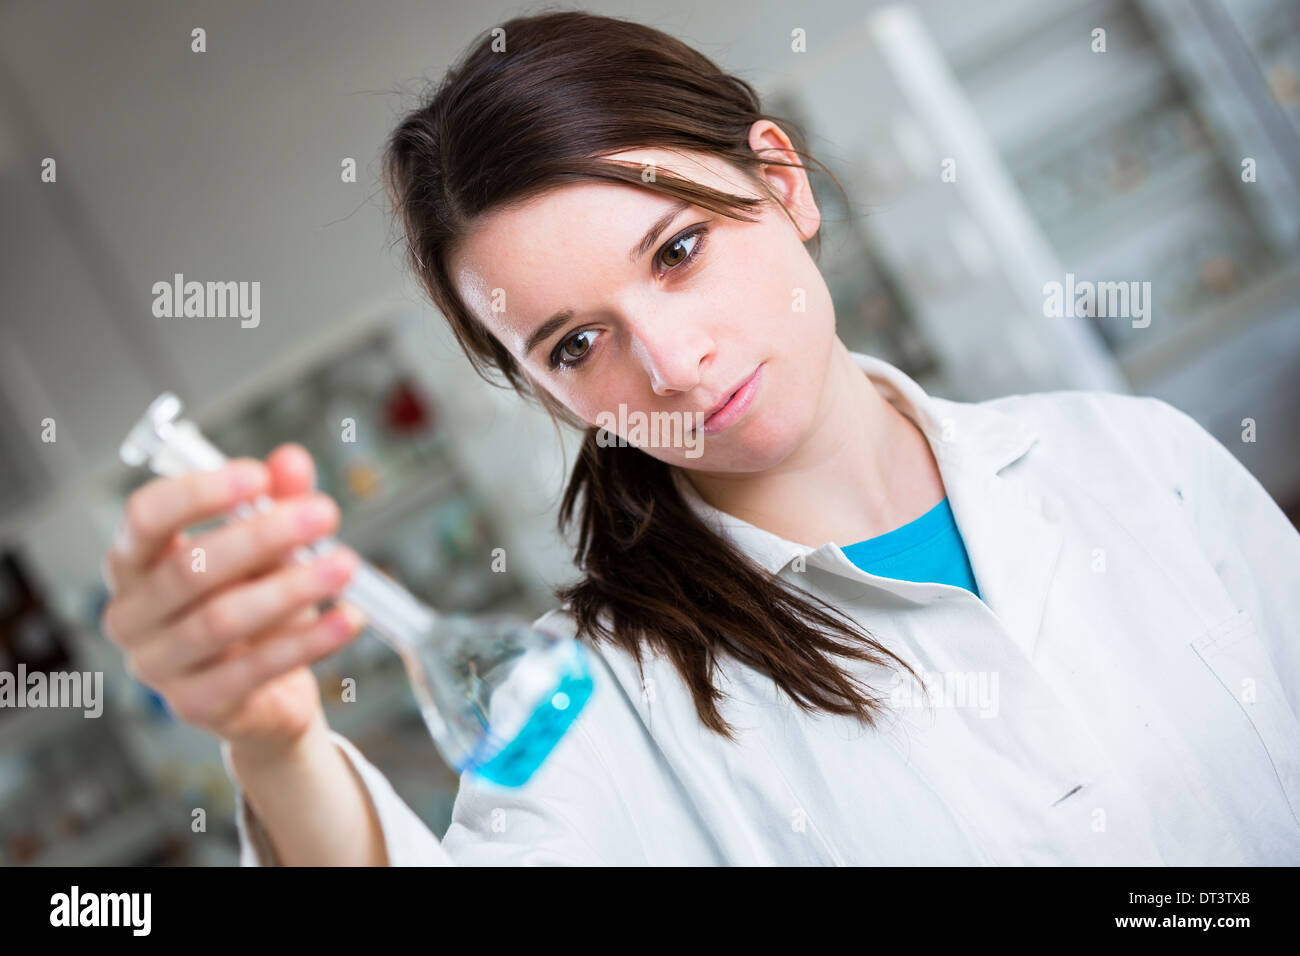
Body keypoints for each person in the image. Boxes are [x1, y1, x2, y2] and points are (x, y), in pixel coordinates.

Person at [99, 10, 1300, 866]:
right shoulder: (605, 704)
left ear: (780, 182)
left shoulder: (1133, 459)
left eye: (678, 251)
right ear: (543, 391)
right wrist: (274, 747)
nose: (670, 365)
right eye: (576, 344)